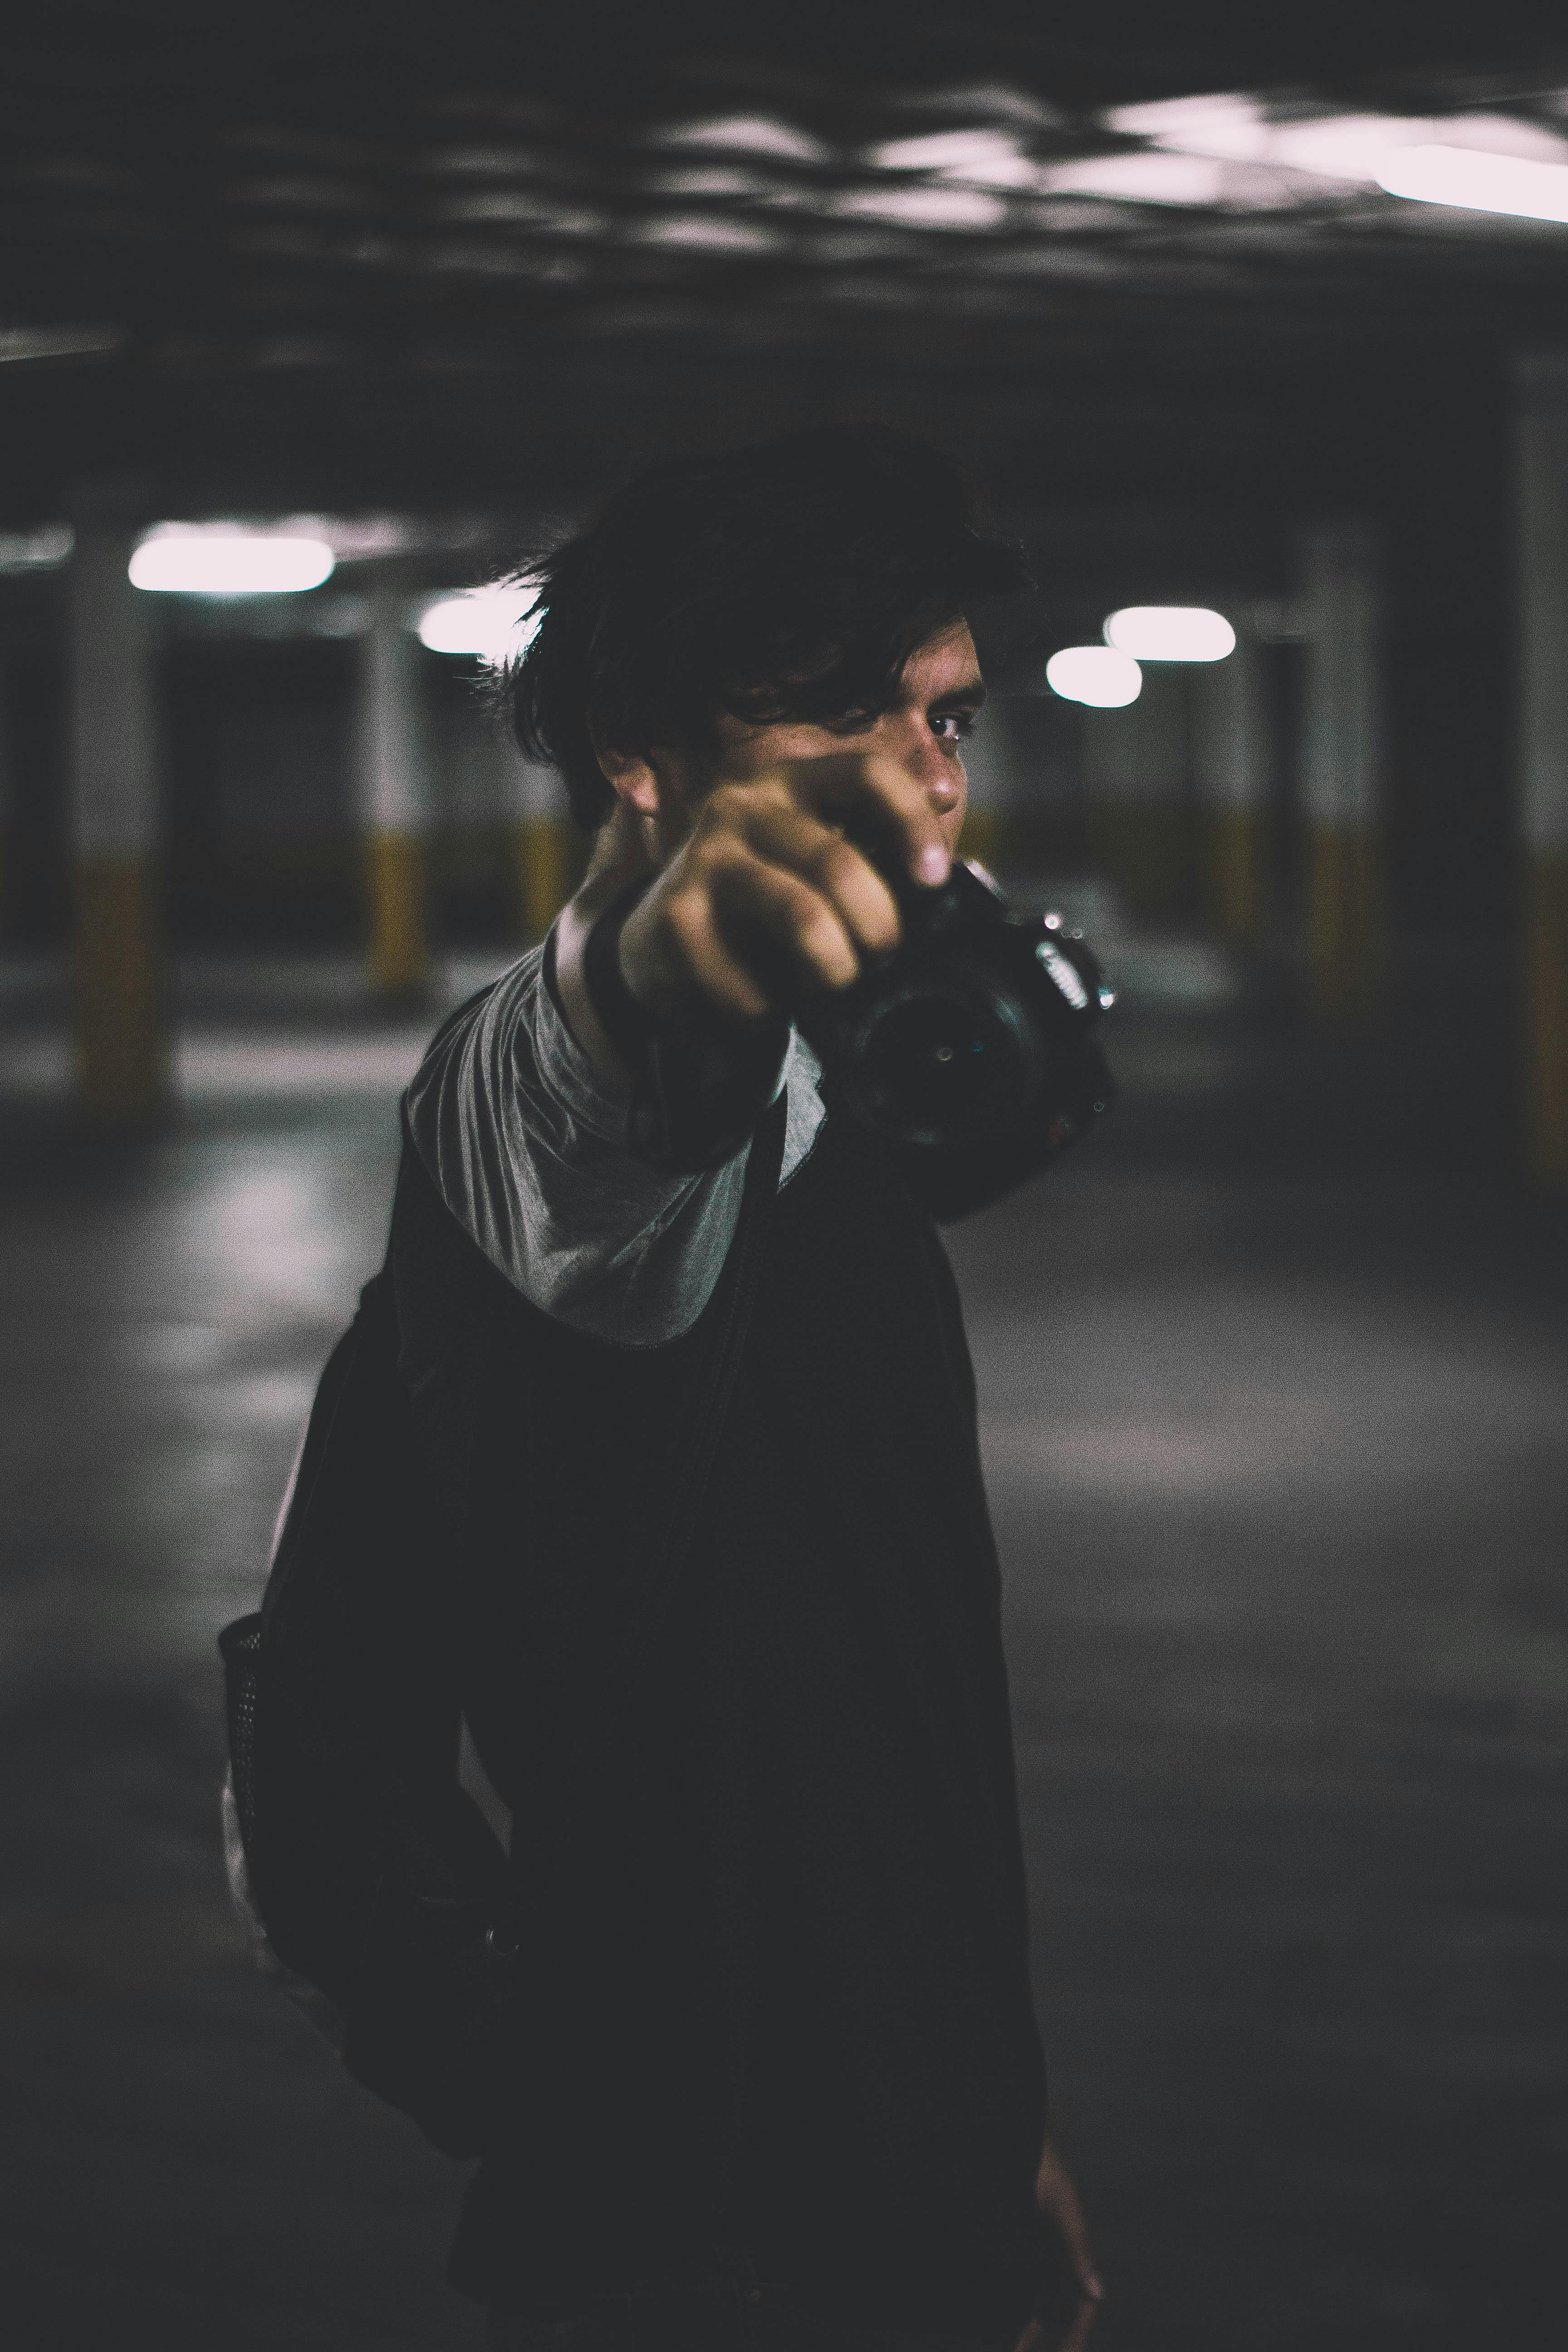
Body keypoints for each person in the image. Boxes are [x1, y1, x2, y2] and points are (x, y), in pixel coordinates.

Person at [398, 428, 1102, 2352]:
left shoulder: (839, 1112)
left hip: (915, 2159)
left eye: (942, 715)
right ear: (644, 756)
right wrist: (650, 985)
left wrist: (989, 2105)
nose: (917, 771)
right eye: (830, 718)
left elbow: (888, 1701)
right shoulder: (534, 1104)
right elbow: (600, 1092)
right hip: (717, 2248)